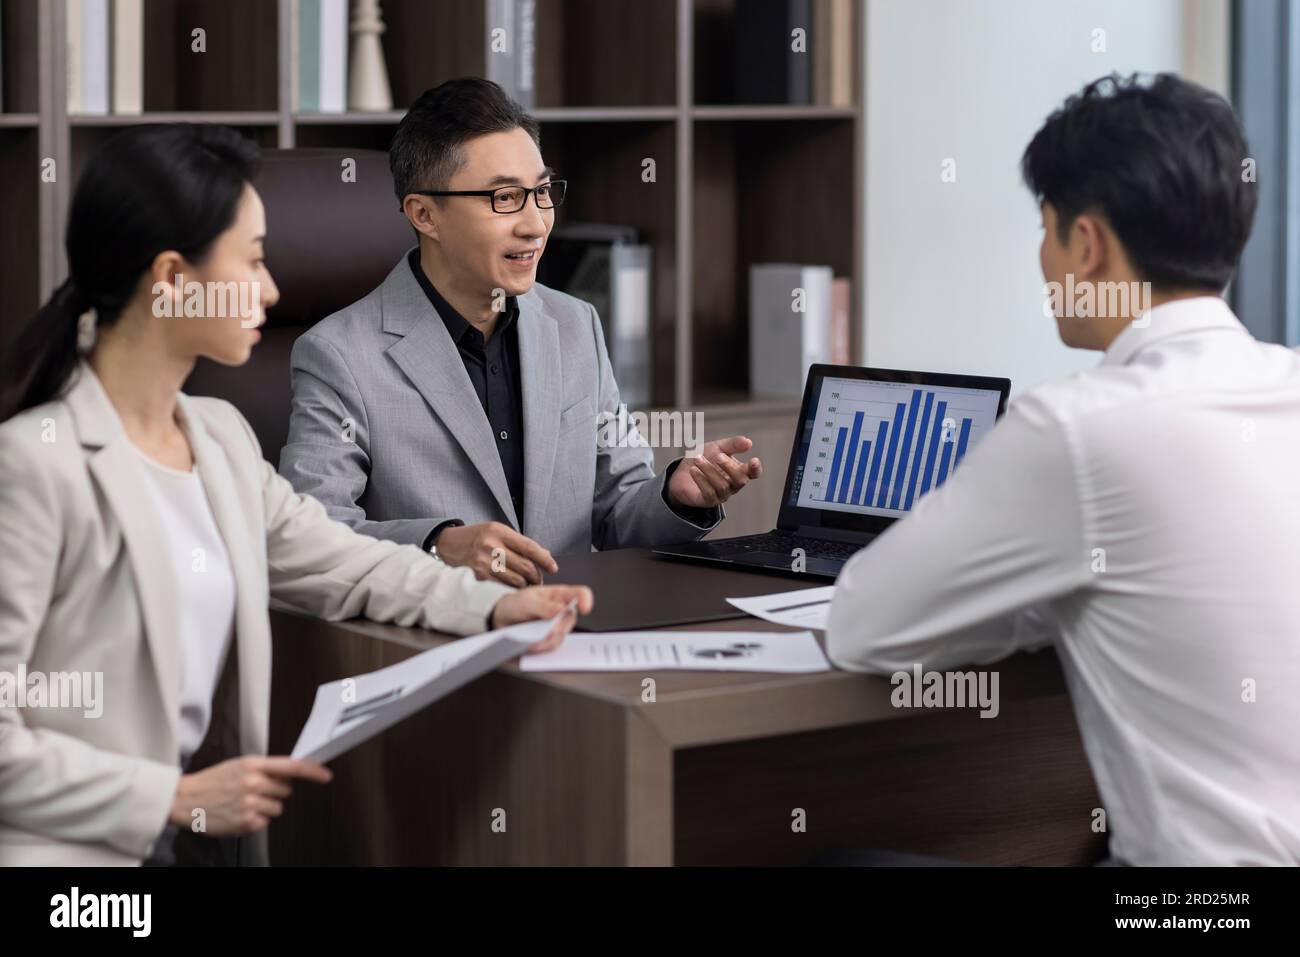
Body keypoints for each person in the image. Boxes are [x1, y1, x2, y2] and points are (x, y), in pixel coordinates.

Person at [0, 123, 592, 866]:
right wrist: (170, 799)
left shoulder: (218, 440)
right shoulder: (35, 465)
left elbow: (347, 562)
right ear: (173, 279)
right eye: (252, 260)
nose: (274, 290)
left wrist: (497, 606)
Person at [825, 73, 1300, 866]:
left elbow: (862, 626)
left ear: (1086, 243)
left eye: (1045, 232)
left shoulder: (1079, 429)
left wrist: (1040, 600)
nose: (1044, 264)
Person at [278, 77, 764, 588]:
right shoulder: (340, 355)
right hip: (438, 638)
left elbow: (618, 511)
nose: (536, 223)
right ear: (424, 214)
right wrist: (437, 544)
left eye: (542, 192)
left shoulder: (576, 326)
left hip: (573, 633)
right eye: (505, 197)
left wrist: (674, 496)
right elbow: (309, 537)